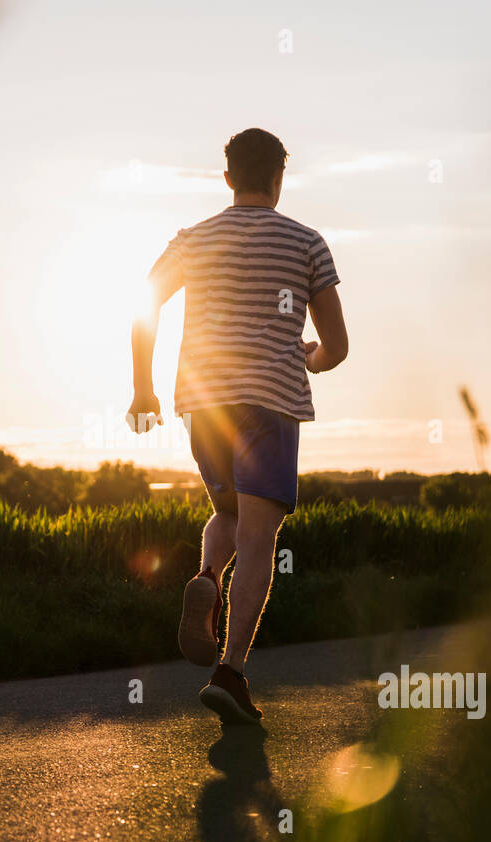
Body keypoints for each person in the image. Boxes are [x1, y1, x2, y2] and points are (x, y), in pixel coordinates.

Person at [127, 128, 348, 725]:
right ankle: (231, 672)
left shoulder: (193, 240)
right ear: (280, 177)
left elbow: (145, 306)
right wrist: (311, 358)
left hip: (204, 404)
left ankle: (204, 578)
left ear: (227, 178)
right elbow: (338, 345)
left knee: (228, 514)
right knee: (258, 539)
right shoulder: (307, 243)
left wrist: (143, 389)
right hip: (270, 406)